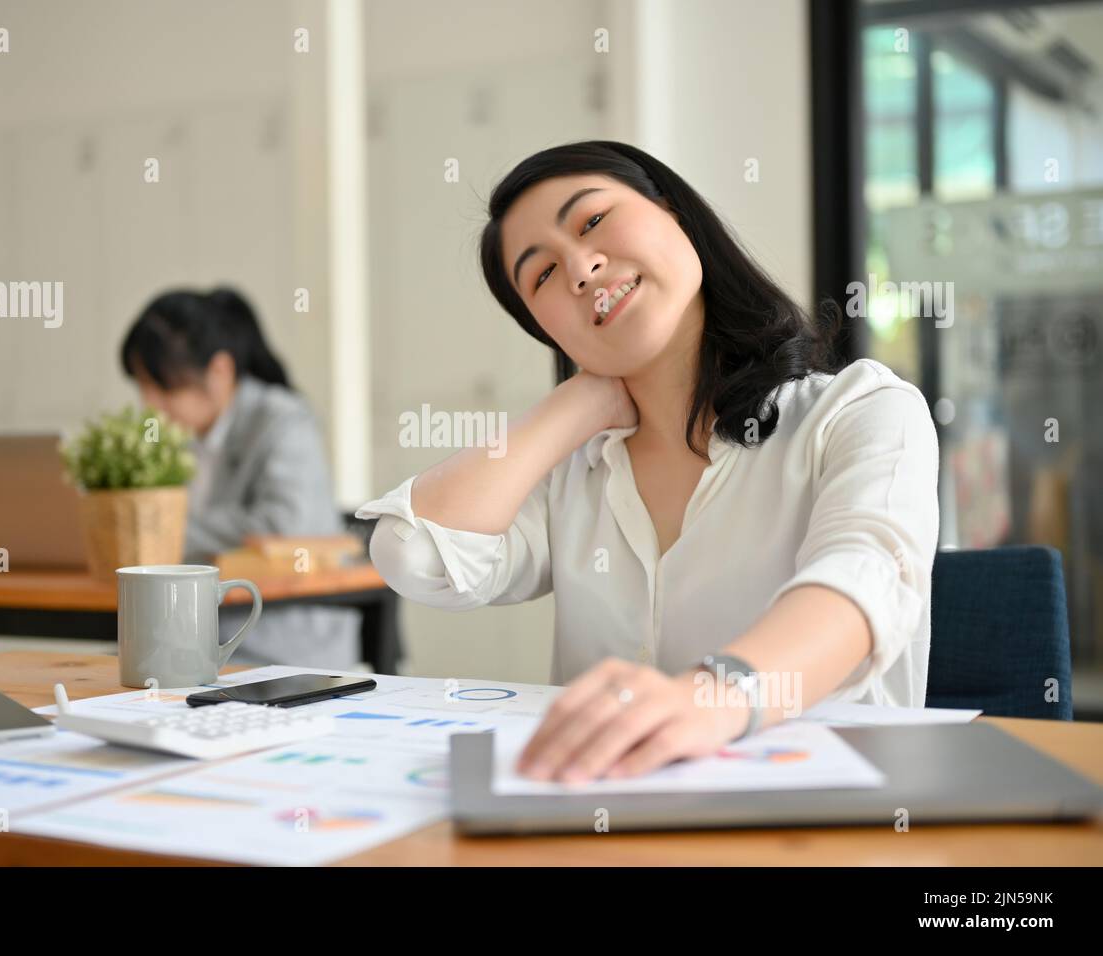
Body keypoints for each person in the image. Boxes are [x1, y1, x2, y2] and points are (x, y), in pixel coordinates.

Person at [356, 141, 939, 784]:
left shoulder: (861, 410)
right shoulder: (571, 470)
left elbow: (862, 585)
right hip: (606, 824)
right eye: (542, 275)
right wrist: (573, 408)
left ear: (676, 214)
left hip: (818, 815)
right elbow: (412, 554)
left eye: (593, 222)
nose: (580, 268)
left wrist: (709, 699)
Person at [121, 286, 359, 668]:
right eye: (144, 389)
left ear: (219, 371)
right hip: (200, 632)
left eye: (164, 389)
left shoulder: (283, 420)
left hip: (281, 644)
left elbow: (283, 524)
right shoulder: (182, 437)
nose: (152, 406)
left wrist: (160, 531)